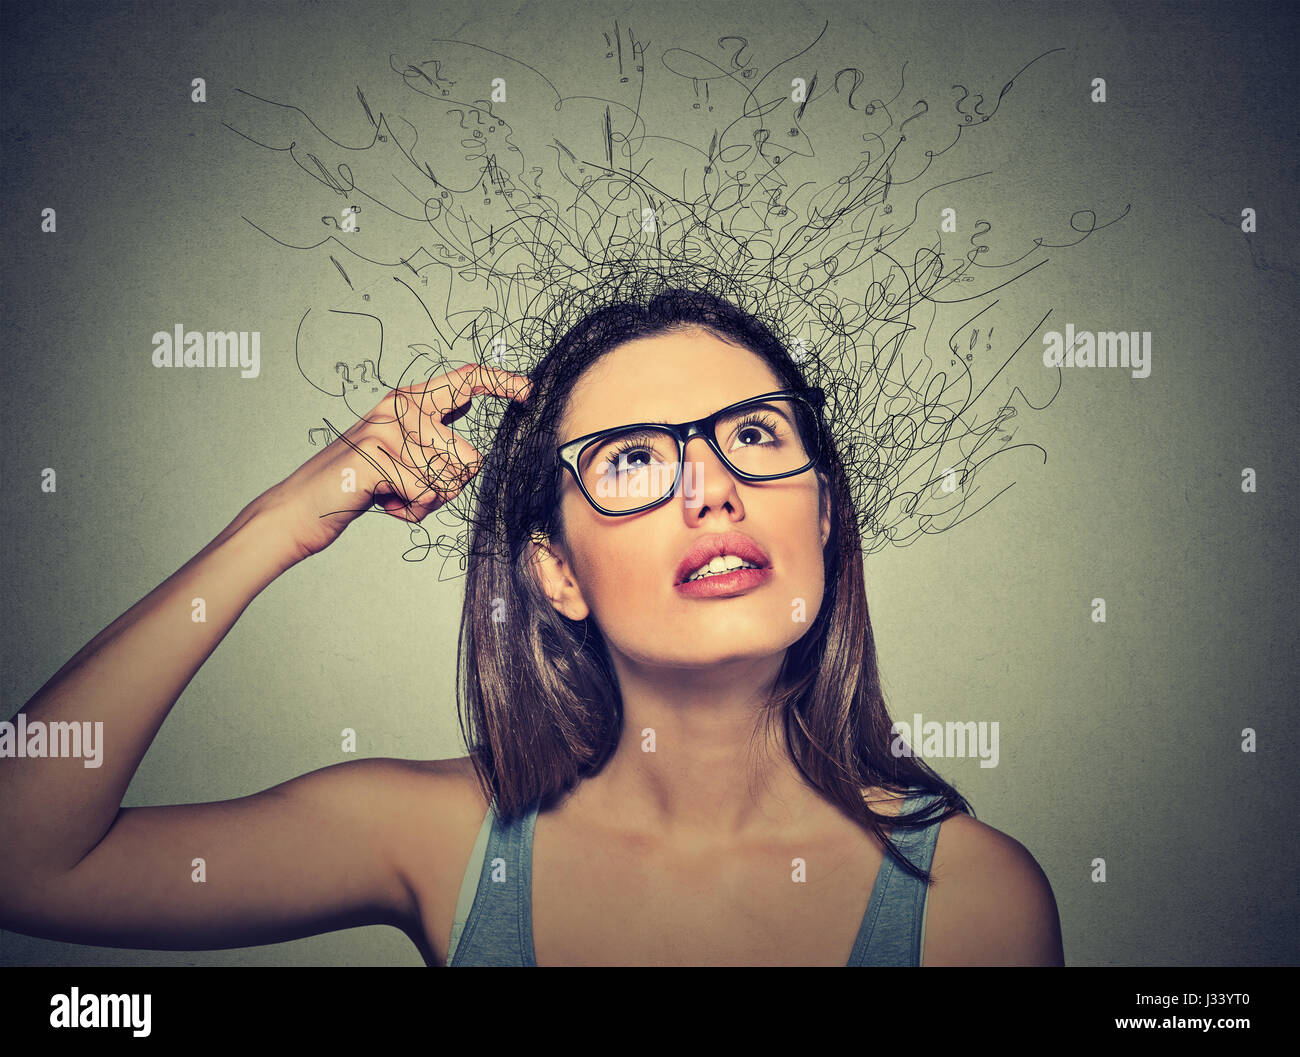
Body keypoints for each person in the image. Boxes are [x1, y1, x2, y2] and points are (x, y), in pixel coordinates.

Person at [0, 287, 1063, 966]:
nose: (712, 489)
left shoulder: (972, 902)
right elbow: (25, 859)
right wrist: (282, 521)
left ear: (823, 516)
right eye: (634, 459)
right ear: (556, 572)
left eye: (752, 433)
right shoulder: (440, 839)